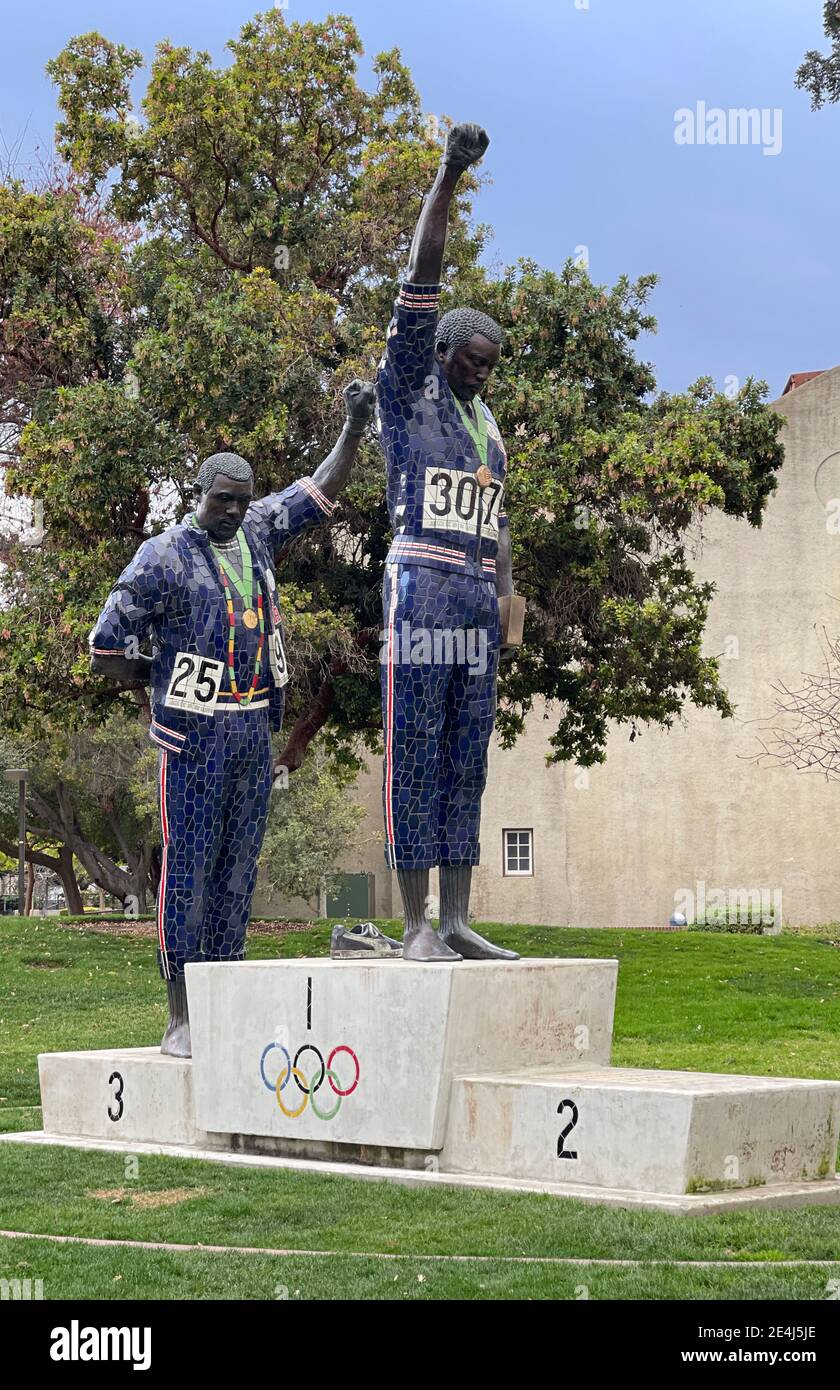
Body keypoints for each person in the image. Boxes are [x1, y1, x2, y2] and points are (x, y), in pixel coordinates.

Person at [89, 381, 375, 1054]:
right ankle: (181, 1015)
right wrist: (162, 679)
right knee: (187, 873)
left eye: (244, 501)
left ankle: (225, 1003)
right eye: (224, 500)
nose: (235, 511)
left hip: (253, 729)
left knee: (238, 873)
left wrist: (355, 427)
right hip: (194, 736)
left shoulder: (259, 531)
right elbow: (105, 646)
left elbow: (320, 489)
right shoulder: (162, 555)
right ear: (199, 493)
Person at [375, 122, 519, 963]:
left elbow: (497, 518)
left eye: (489, 366)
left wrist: (506, 598)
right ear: (440, 352)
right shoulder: (408, 393)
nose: (479, 374)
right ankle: (416, 924)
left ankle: (459, 917)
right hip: (419, 591)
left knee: (468, 756)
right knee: (416, 750)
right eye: (469, 362)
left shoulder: (488, 424)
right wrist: (448, 176)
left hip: (474, 596)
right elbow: (420, 280)